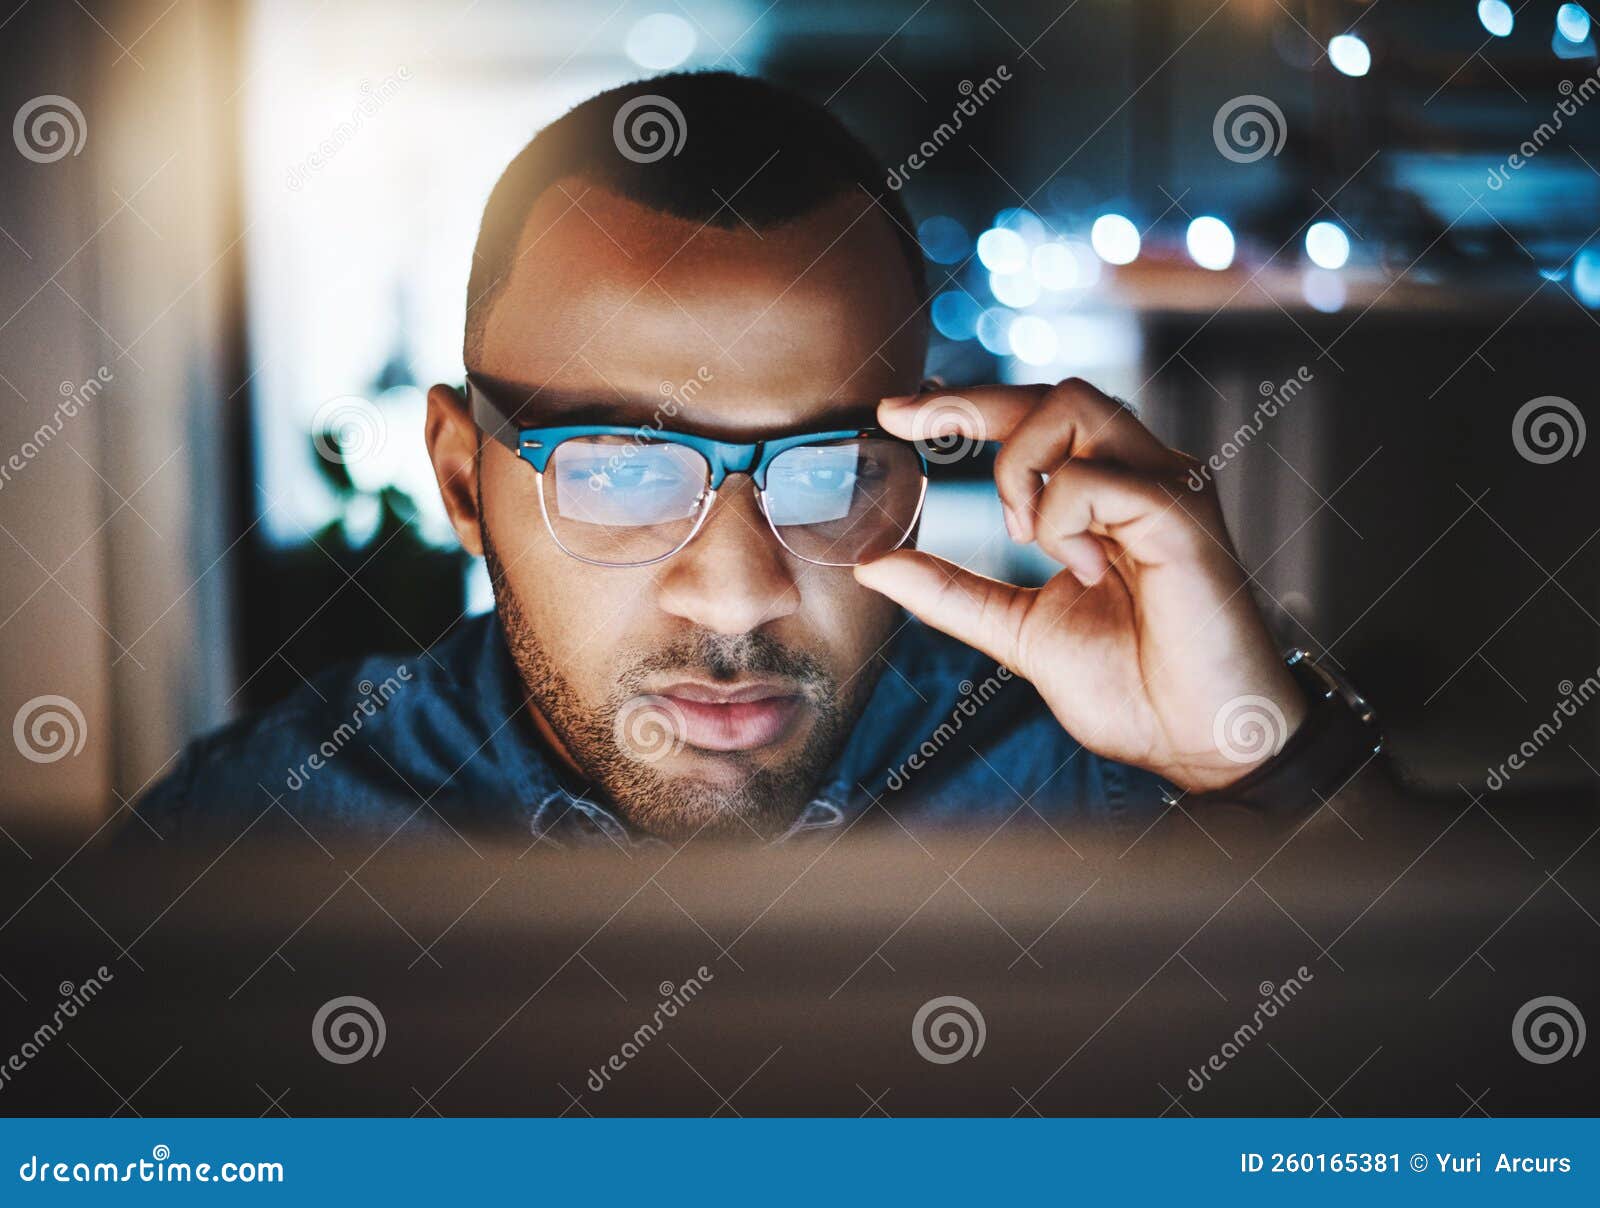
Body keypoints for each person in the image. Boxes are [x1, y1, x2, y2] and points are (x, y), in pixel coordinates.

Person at [133, 71, 1382, 847]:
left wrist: (1255, 755)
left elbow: (1487, 1085)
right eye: (618, 466)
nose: (737, 594)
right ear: (464, 478)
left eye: (829, 465)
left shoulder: (1091, 781)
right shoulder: (261, 833)